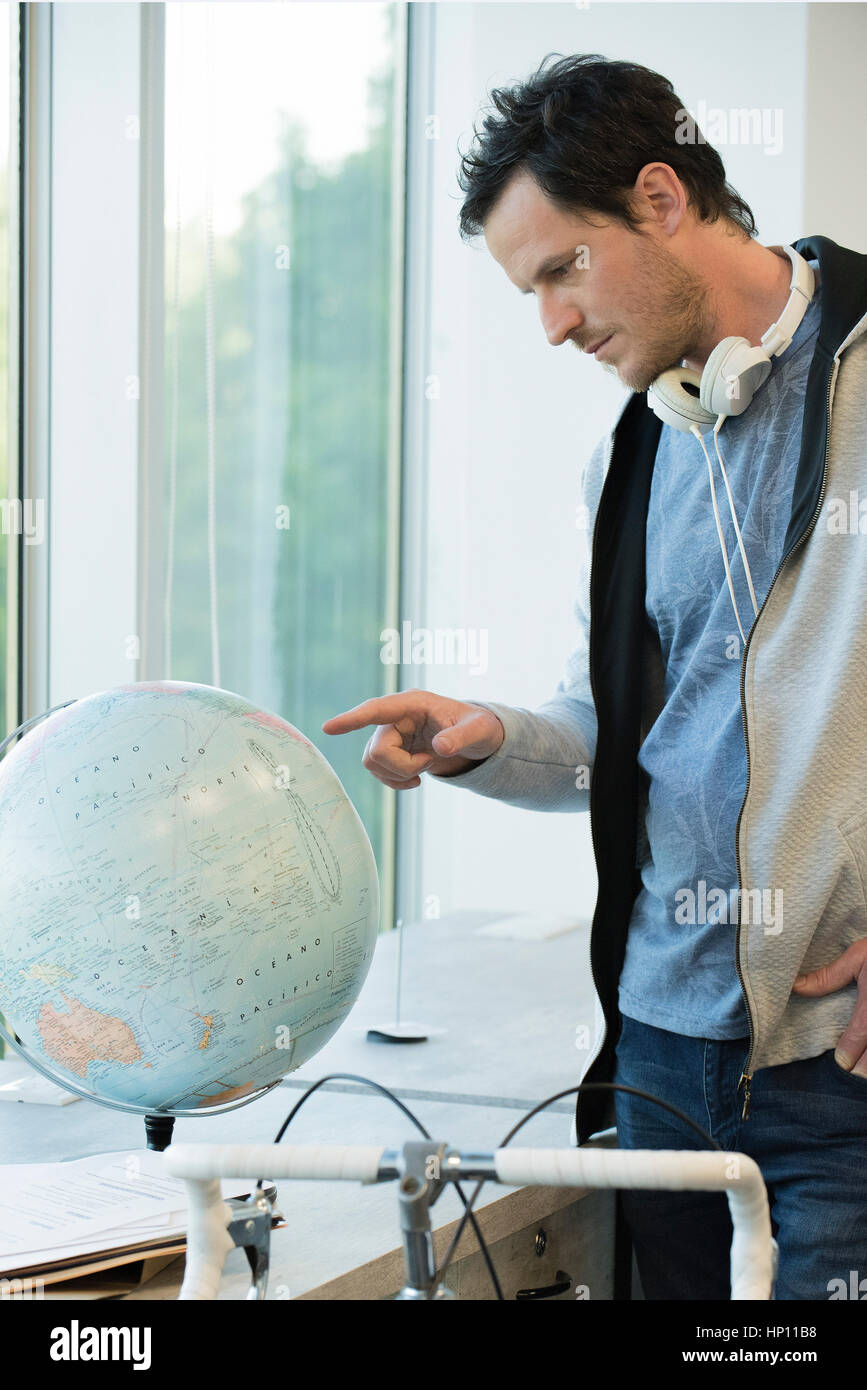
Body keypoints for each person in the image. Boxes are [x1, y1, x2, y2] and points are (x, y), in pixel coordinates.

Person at [322, 53, 867, 1300]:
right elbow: (615, 732)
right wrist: (484, 737)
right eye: (532, 289)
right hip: (660, 1058)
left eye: (564, 268)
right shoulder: (636, 455)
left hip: (839, 1073)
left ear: (663, 199)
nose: (555, 324)